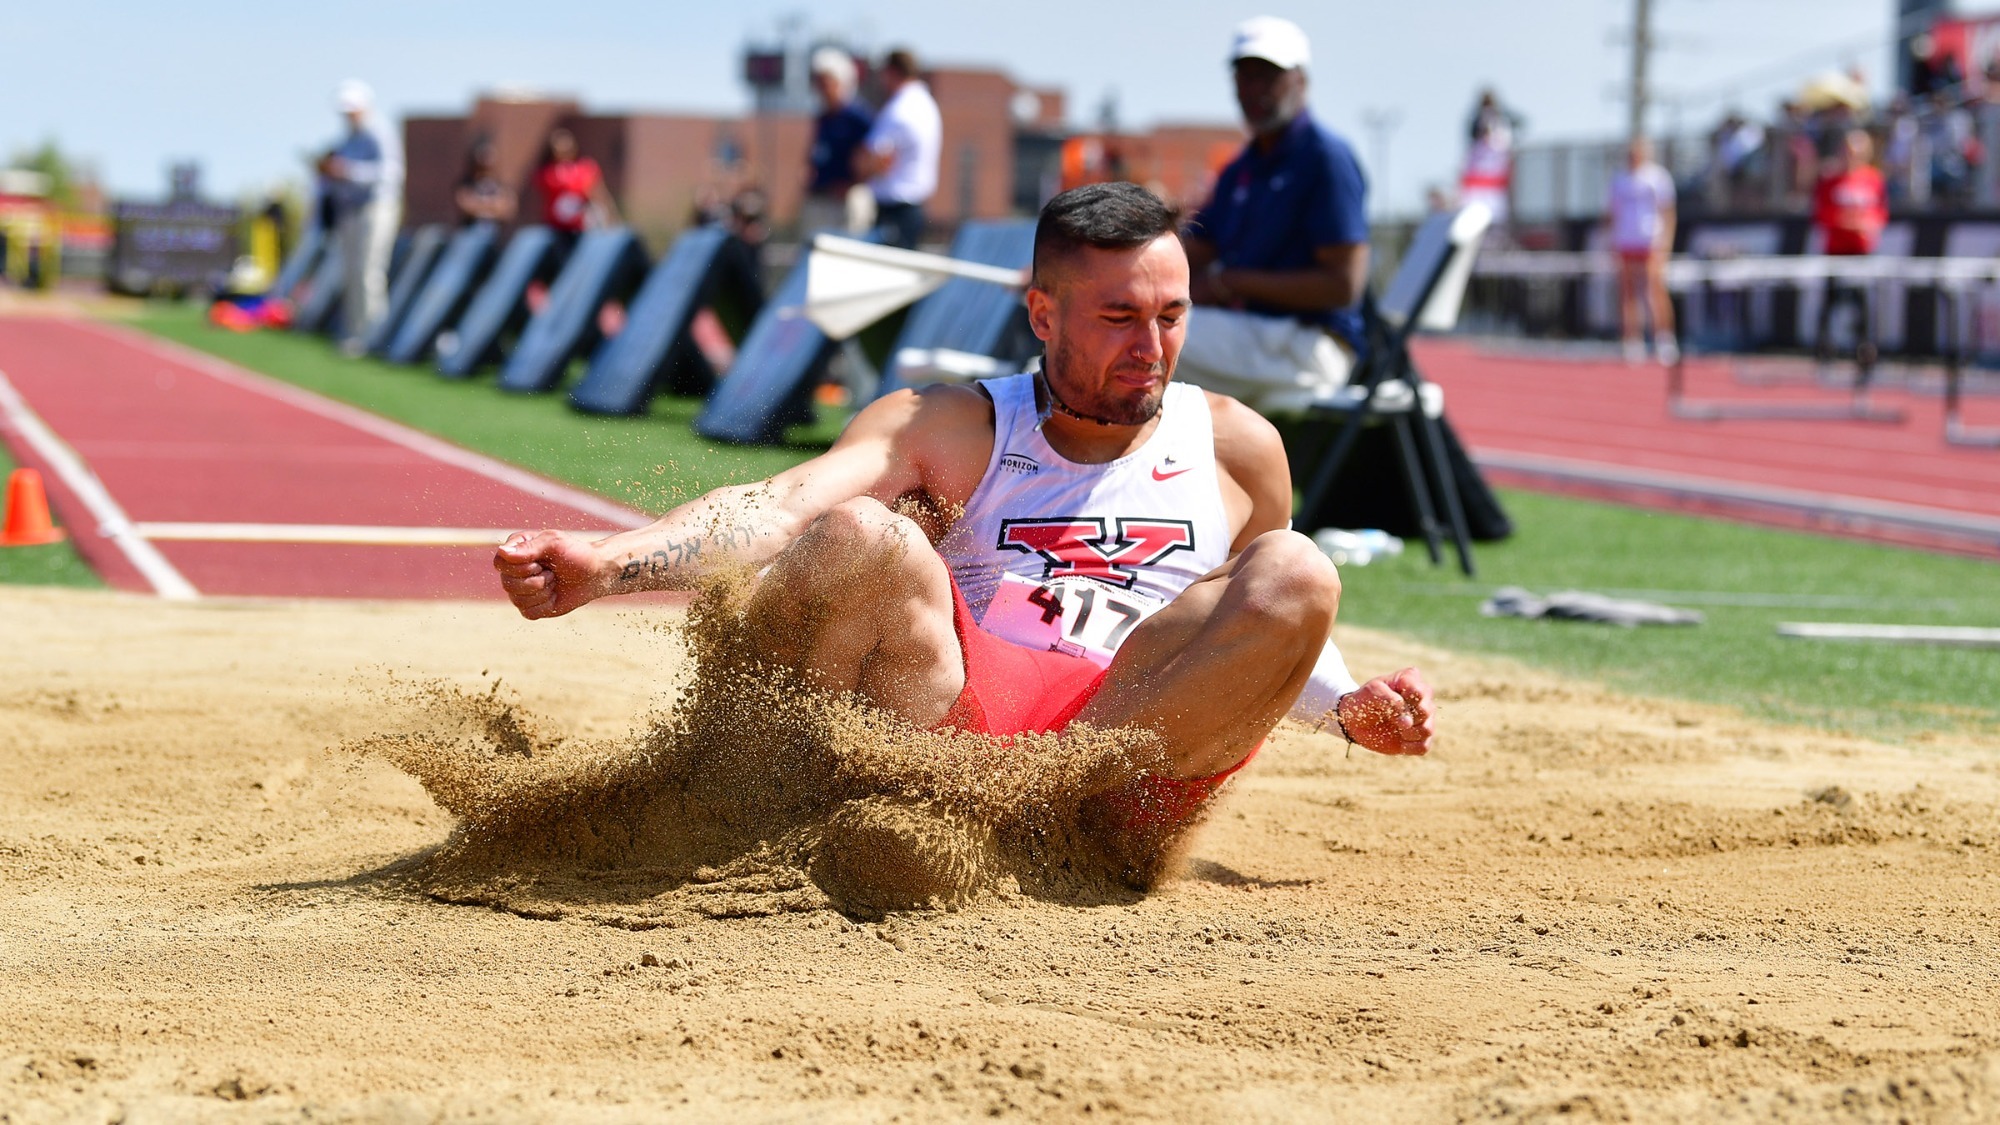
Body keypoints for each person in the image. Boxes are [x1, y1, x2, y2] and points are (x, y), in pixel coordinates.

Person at [493, 183, 1434, 874]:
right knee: (862, 534)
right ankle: (751, 814)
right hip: (962, 732)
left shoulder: (1239, 448)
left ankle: (1051, 834)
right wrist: (609, 562)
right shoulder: (951, 425)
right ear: (1042, 311)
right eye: (1118, 318)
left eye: (1171, 316)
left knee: (1301, 571)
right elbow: (783, 507)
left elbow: (1262, 629)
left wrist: (1347, 706)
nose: (1150, 349)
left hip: (1130, 761)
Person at [1177, 17, 1370, 413]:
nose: (1252, 90)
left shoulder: (1325, 158)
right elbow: (1195, 245)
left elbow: (1344, 285)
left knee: (1139, 340)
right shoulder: (1243, 166)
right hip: (1254, 334)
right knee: (1128, 333)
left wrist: (1233, 283)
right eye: (1243, 76)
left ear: (1300, 80)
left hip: (1312, 343)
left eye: (1267, 75)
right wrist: (1096, 273)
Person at [318, 80, 402, 357]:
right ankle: (355, 334)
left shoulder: (379, 132)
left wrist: (348, 171)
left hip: (375, 208)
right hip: (350, 211)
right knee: (353, 273)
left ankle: (375, 336)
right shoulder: (347, 137)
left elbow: (391, 174)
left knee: (369, 272)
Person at [1812, 128, 1888, 376]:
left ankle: (1864, 352)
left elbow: (1880, 213)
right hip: (1836, 251)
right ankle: (1824, 351)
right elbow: (1821, 214)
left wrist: (1867, 225)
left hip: (1862, 252)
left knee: (1862, 303)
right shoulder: (1830, 179)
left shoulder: (1873, 179)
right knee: (1831, 301)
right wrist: (1845, 221)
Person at [853, 48, 941, 249]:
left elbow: (879, 160)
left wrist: (859, 167)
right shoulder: (925, 104)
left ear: (892, 72)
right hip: (912, 208)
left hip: (894, 212)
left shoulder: (900, 109)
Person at [1607, 136, 1677, 366]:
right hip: (1625, 242)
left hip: (1650, 241)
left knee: (1654, 289)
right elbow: (1612, 214)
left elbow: (1668, 212)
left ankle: (1664, 339)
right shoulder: (1619, 180)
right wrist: (1612, 242)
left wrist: (1666, 242)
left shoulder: (1657, 178)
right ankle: (1632, 341)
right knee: (1628, 292)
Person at [801, 47, 876, 236]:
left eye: (826, 82)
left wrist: (853, 183)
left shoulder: (858, 117)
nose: (821, 89)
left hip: (846, 202)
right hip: (821, 198)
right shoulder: (824, 117)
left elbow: (874, 157)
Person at [534, 127, 619, 266]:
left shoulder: (585, 167)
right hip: (557, 229)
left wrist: (611, 221)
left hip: (583, 227)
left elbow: (599, 194)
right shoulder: (547, 172)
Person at [453, 136, 516, 227]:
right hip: (471, 229)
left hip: (497, 232)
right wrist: (493, 205)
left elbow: (508, 210)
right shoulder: (466, 183)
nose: (486, 159)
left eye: (489, 154)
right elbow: (465, 207)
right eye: (483, 154)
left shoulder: (502, 184)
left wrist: (479, 205)